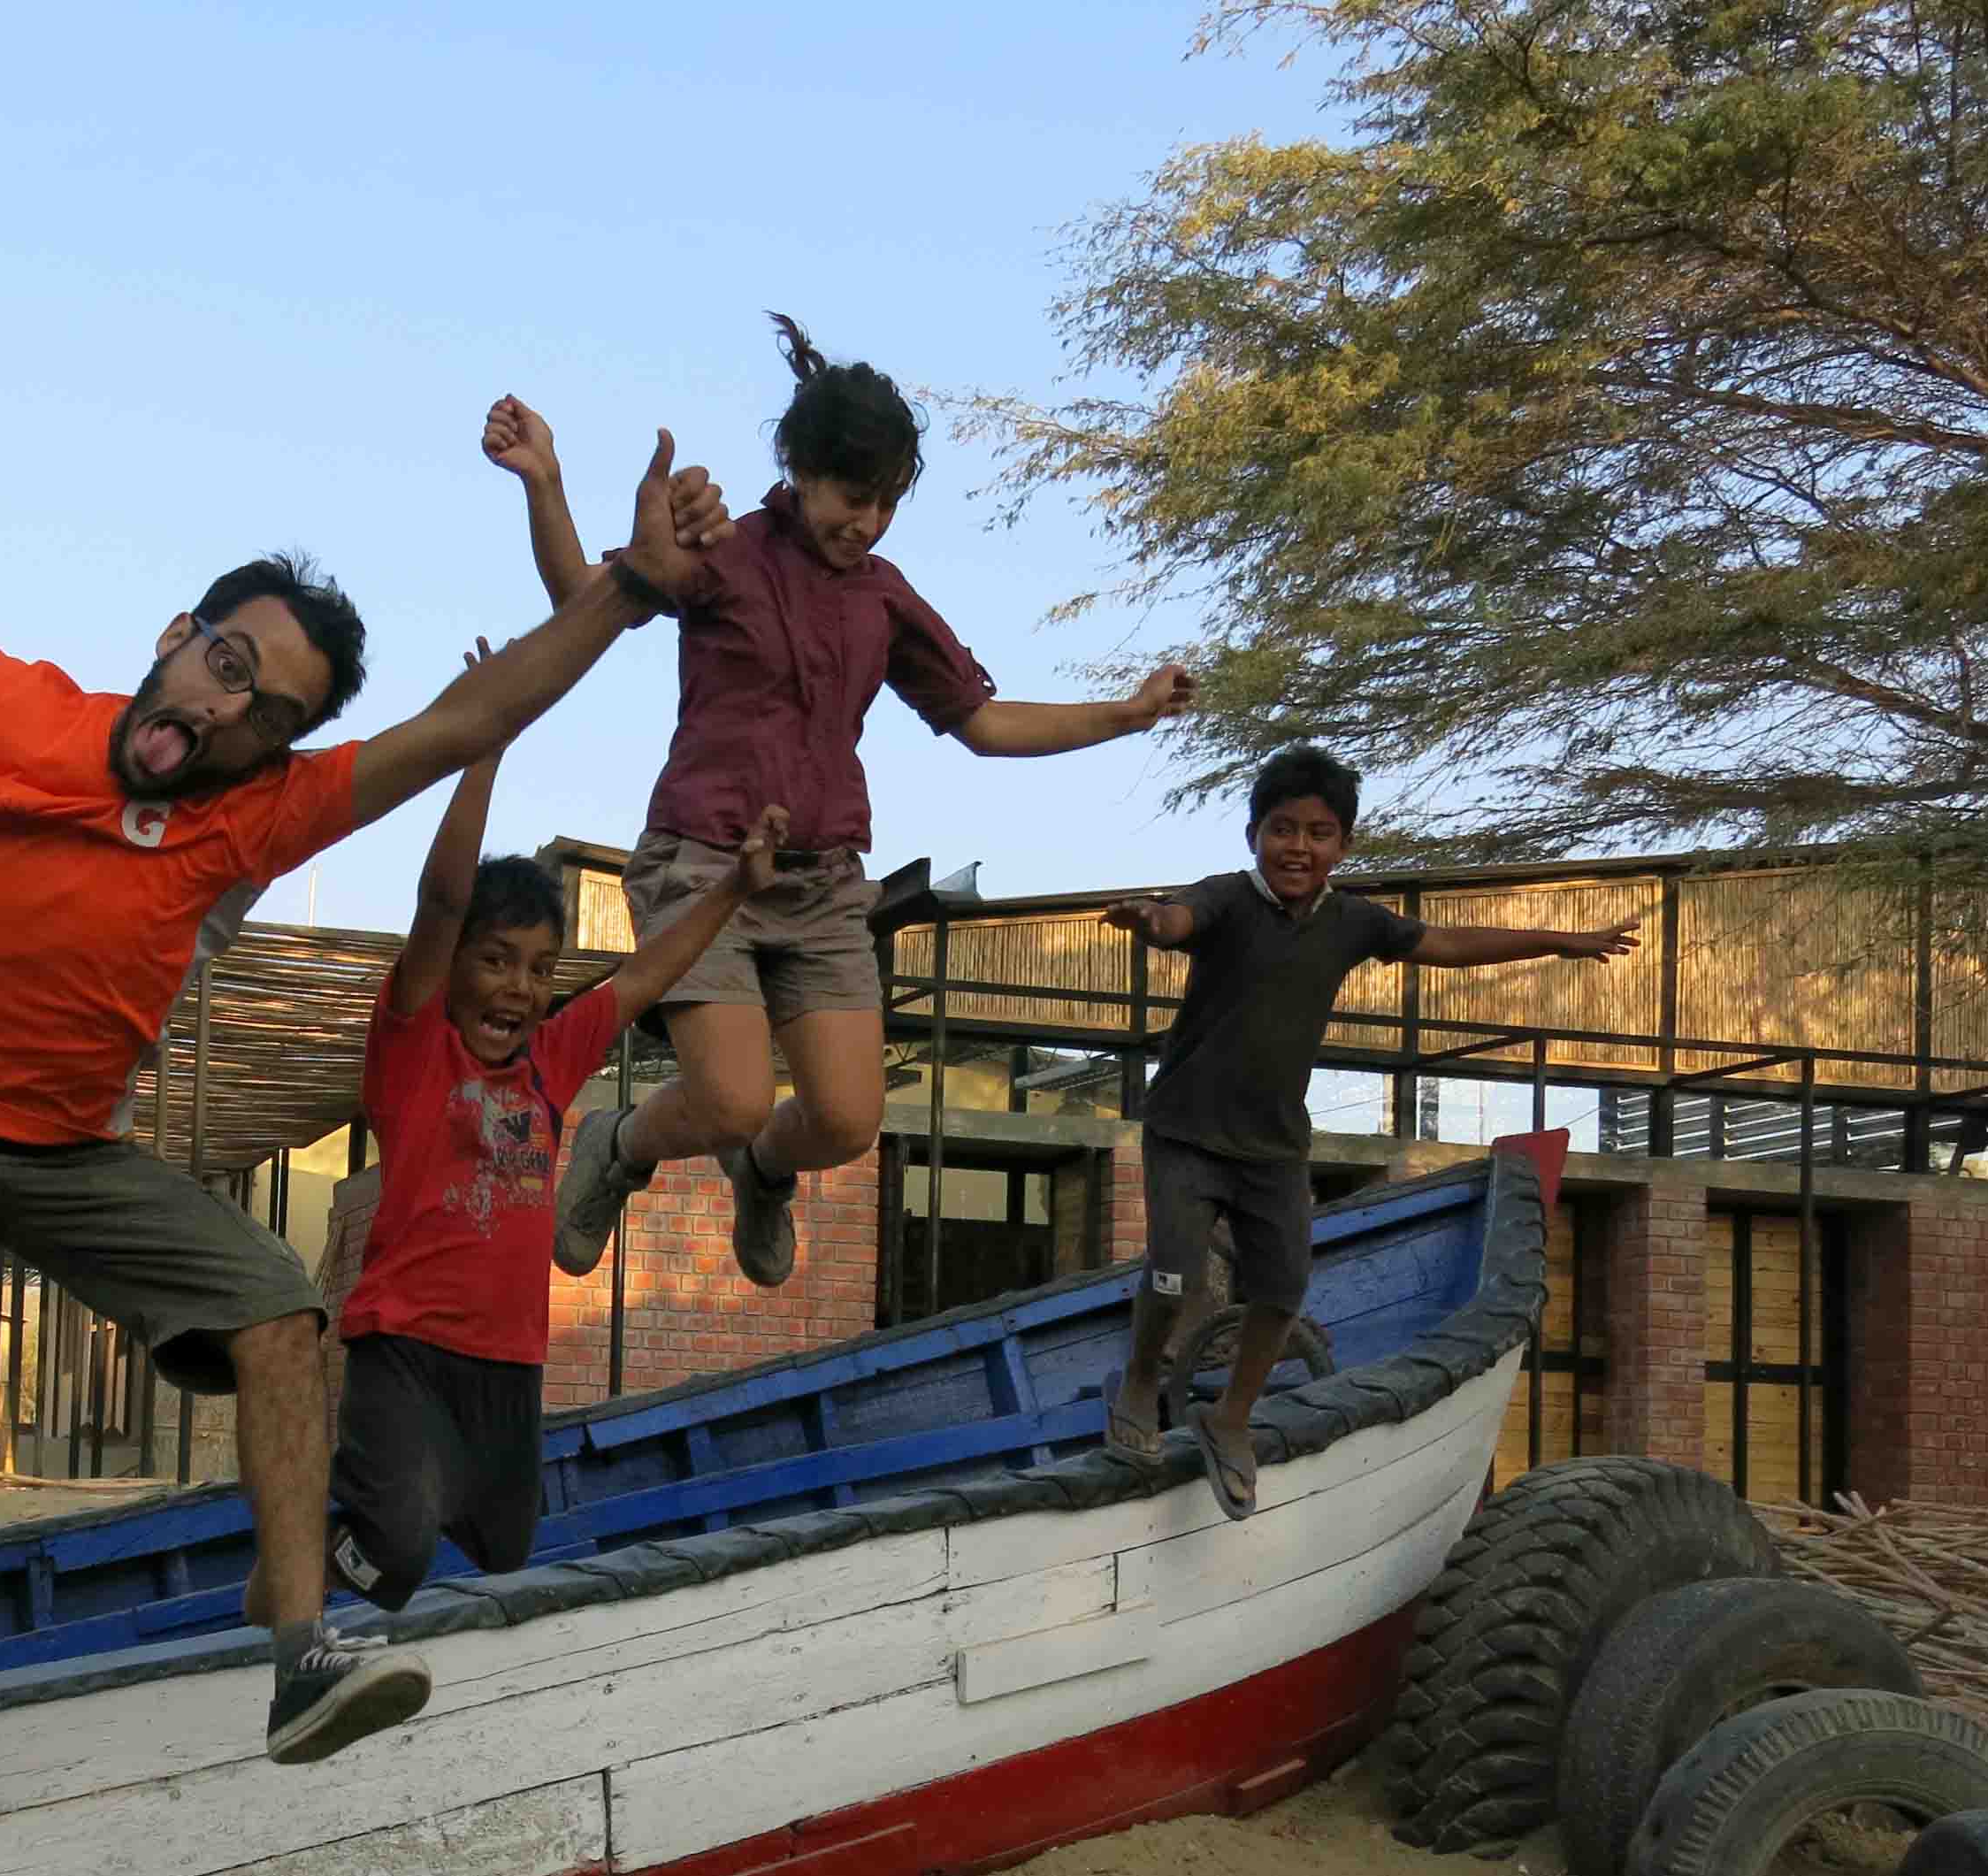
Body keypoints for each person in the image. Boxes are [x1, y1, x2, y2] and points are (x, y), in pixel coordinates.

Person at [0, 434, 732, 1767]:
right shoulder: (13, 706)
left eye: (271, 712)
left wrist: (630, 587)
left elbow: (470, 719)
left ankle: (300, 1654)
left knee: (283, 1321)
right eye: (227, 667)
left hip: (72, 1160)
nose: (229, 714)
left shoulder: (262, 818)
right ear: (178, 639)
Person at [483, 317, 1195, 1296]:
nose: (865, 521)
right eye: (851, 497)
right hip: (704, 866)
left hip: (821, 885)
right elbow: (580, 595)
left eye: (886, 504)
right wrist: (544, 480)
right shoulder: (724, 553)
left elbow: (982, 722)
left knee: (846, 1120)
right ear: (801, 471)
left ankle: (764, 1174)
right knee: (730, 1100)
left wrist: (1125, 714)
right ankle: (618, 1145)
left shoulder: (882, 598)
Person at [325, 642, 788, 1612]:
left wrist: (735, 891)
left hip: (510, 1361)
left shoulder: (554, 1056)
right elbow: (441, 899)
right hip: (404, 1348)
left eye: (538, 970)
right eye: (495, 962)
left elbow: (647, 975)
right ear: (451, 968)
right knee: (397, 1557)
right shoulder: (415, 1047)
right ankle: (301, 1547)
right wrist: (483, 751)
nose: (518, 988)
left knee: (502, 1554)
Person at [1100, 742, 1640, 1520]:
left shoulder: (1351, 922)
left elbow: (1447, 945)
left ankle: (1229, 1418)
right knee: (1175, 1273)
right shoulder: (1224, 897)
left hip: (1275, 1145)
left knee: (1283, 1290)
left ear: (1342, 846)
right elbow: (1179, 920)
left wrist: (1559, 940)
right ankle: (1144, 1378)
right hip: (1186, 1130)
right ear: (1254, 833)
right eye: (1282, 829)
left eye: (1318, 834)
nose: (1298, 847)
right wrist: (1150, 922)